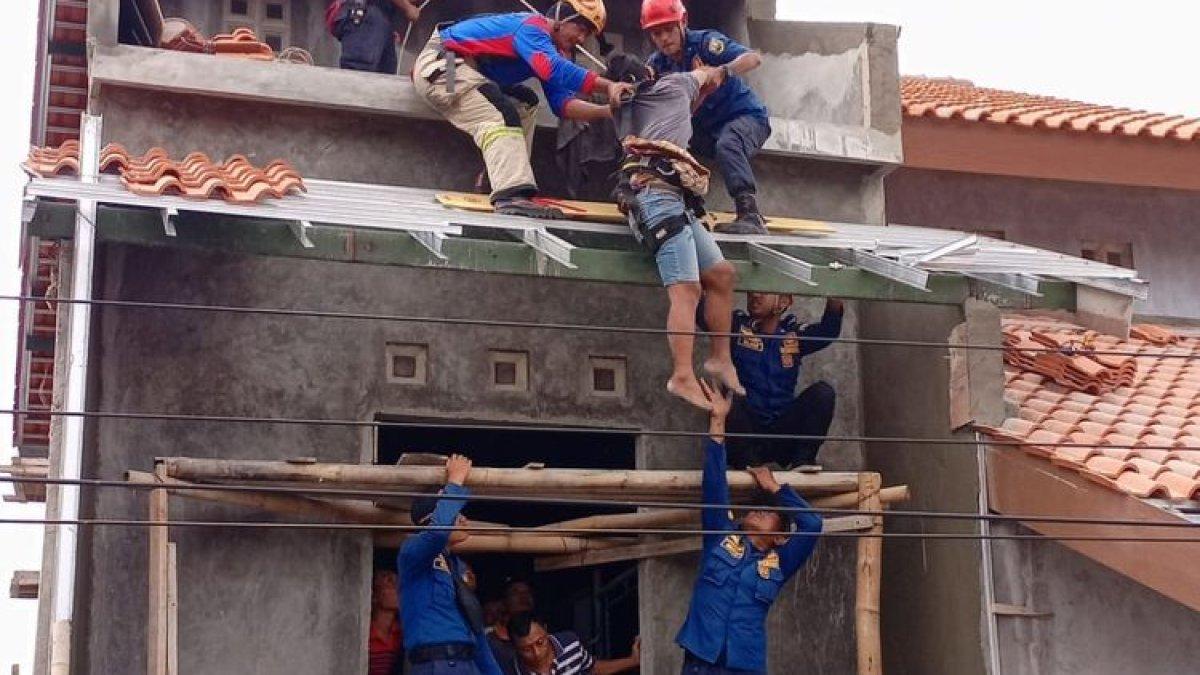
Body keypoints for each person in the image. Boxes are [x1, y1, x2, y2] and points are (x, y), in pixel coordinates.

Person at [606, 53, 743, 410]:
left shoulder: (625, 109)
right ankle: (682, 375)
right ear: (651, 73)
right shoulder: (675, 84)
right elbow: (710, 75)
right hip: (656, 197)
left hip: (670, 197)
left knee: (721, 274)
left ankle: (720, 357)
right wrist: (726, 69)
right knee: (686, 289)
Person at [412, 1, 635, 219]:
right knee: (500, 113)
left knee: (525, 102)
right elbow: (552, 69)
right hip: (445, 65)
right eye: (581, 28)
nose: (581, 39)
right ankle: (510, 194)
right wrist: (609, 86)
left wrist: (608, 111)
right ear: (562, 18)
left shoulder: (551, 50)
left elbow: (563, 105)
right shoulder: (532, 28)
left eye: (588, 34)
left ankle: (497, 179)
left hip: (466, 71)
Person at [676, 380, 823, 674]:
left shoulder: (780, 562)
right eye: (759, 506)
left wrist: (776, 489)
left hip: (743, 665)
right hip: (701, 660)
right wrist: (718, 421)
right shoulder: (721, 536)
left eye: (770, 511)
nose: (760, 510)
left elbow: (812, 524)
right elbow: (714, 485)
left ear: (781, 537)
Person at [642, 0, 772, 235]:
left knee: (729, 143)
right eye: (656, 33)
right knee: (667, 147)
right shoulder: (656, 65)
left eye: (669, 29)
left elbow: (753, 58)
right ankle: (688, 210)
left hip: (746, 118)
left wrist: (722, 71)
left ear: (682, 23)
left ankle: (750, 214)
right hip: (706, 130)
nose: (664, 38)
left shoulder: (706, 43)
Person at [400, 454, 502, 675]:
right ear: (431, 519)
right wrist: (455, 482)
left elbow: (475, 631)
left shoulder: (455, 565)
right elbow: (437, 534)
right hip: (436, 664)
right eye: (456, 514)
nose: (464, 519)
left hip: (467, 663)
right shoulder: (412, 552)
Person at [721, 294, 844, 469]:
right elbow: (704, 311)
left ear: (784, 301)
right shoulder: (736, 327)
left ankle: (803, 461)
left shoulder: (793, 334)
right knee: (728, 394)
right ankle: (750, 466)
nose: (755, 294)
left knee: (823, 393)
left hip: (783, 433)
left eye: (764, 290)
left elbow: (828, 330)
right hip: (746, 436)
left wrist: (834, 289)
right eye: (751, 289)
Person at [506, 613, 640, 675]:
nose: (537, 652)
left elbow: (592, 667)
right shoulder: (511, 670)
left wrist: (633, 660)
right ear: (515, 648)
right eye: (526, 649)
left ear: (546, 630)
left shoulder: (569, 643)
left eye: (540, 642)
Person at [327, 0, 421, 74]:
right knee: (359, 74)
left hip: (377, 18)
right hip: (365, 14)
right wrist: (408, 7)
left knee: (384, 78)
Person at [487, 577, 536, 671]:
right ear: (503, 601)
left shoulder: (542, 634)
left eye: (527, 592)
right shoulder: (489, 640)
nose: (524, 597)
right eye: (515, 592)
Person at [369, 569, 405, 675]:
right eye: (390, 583)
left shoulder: (401, 633)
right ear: (374, 596)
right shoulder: (365, 633)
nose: (398, 590)